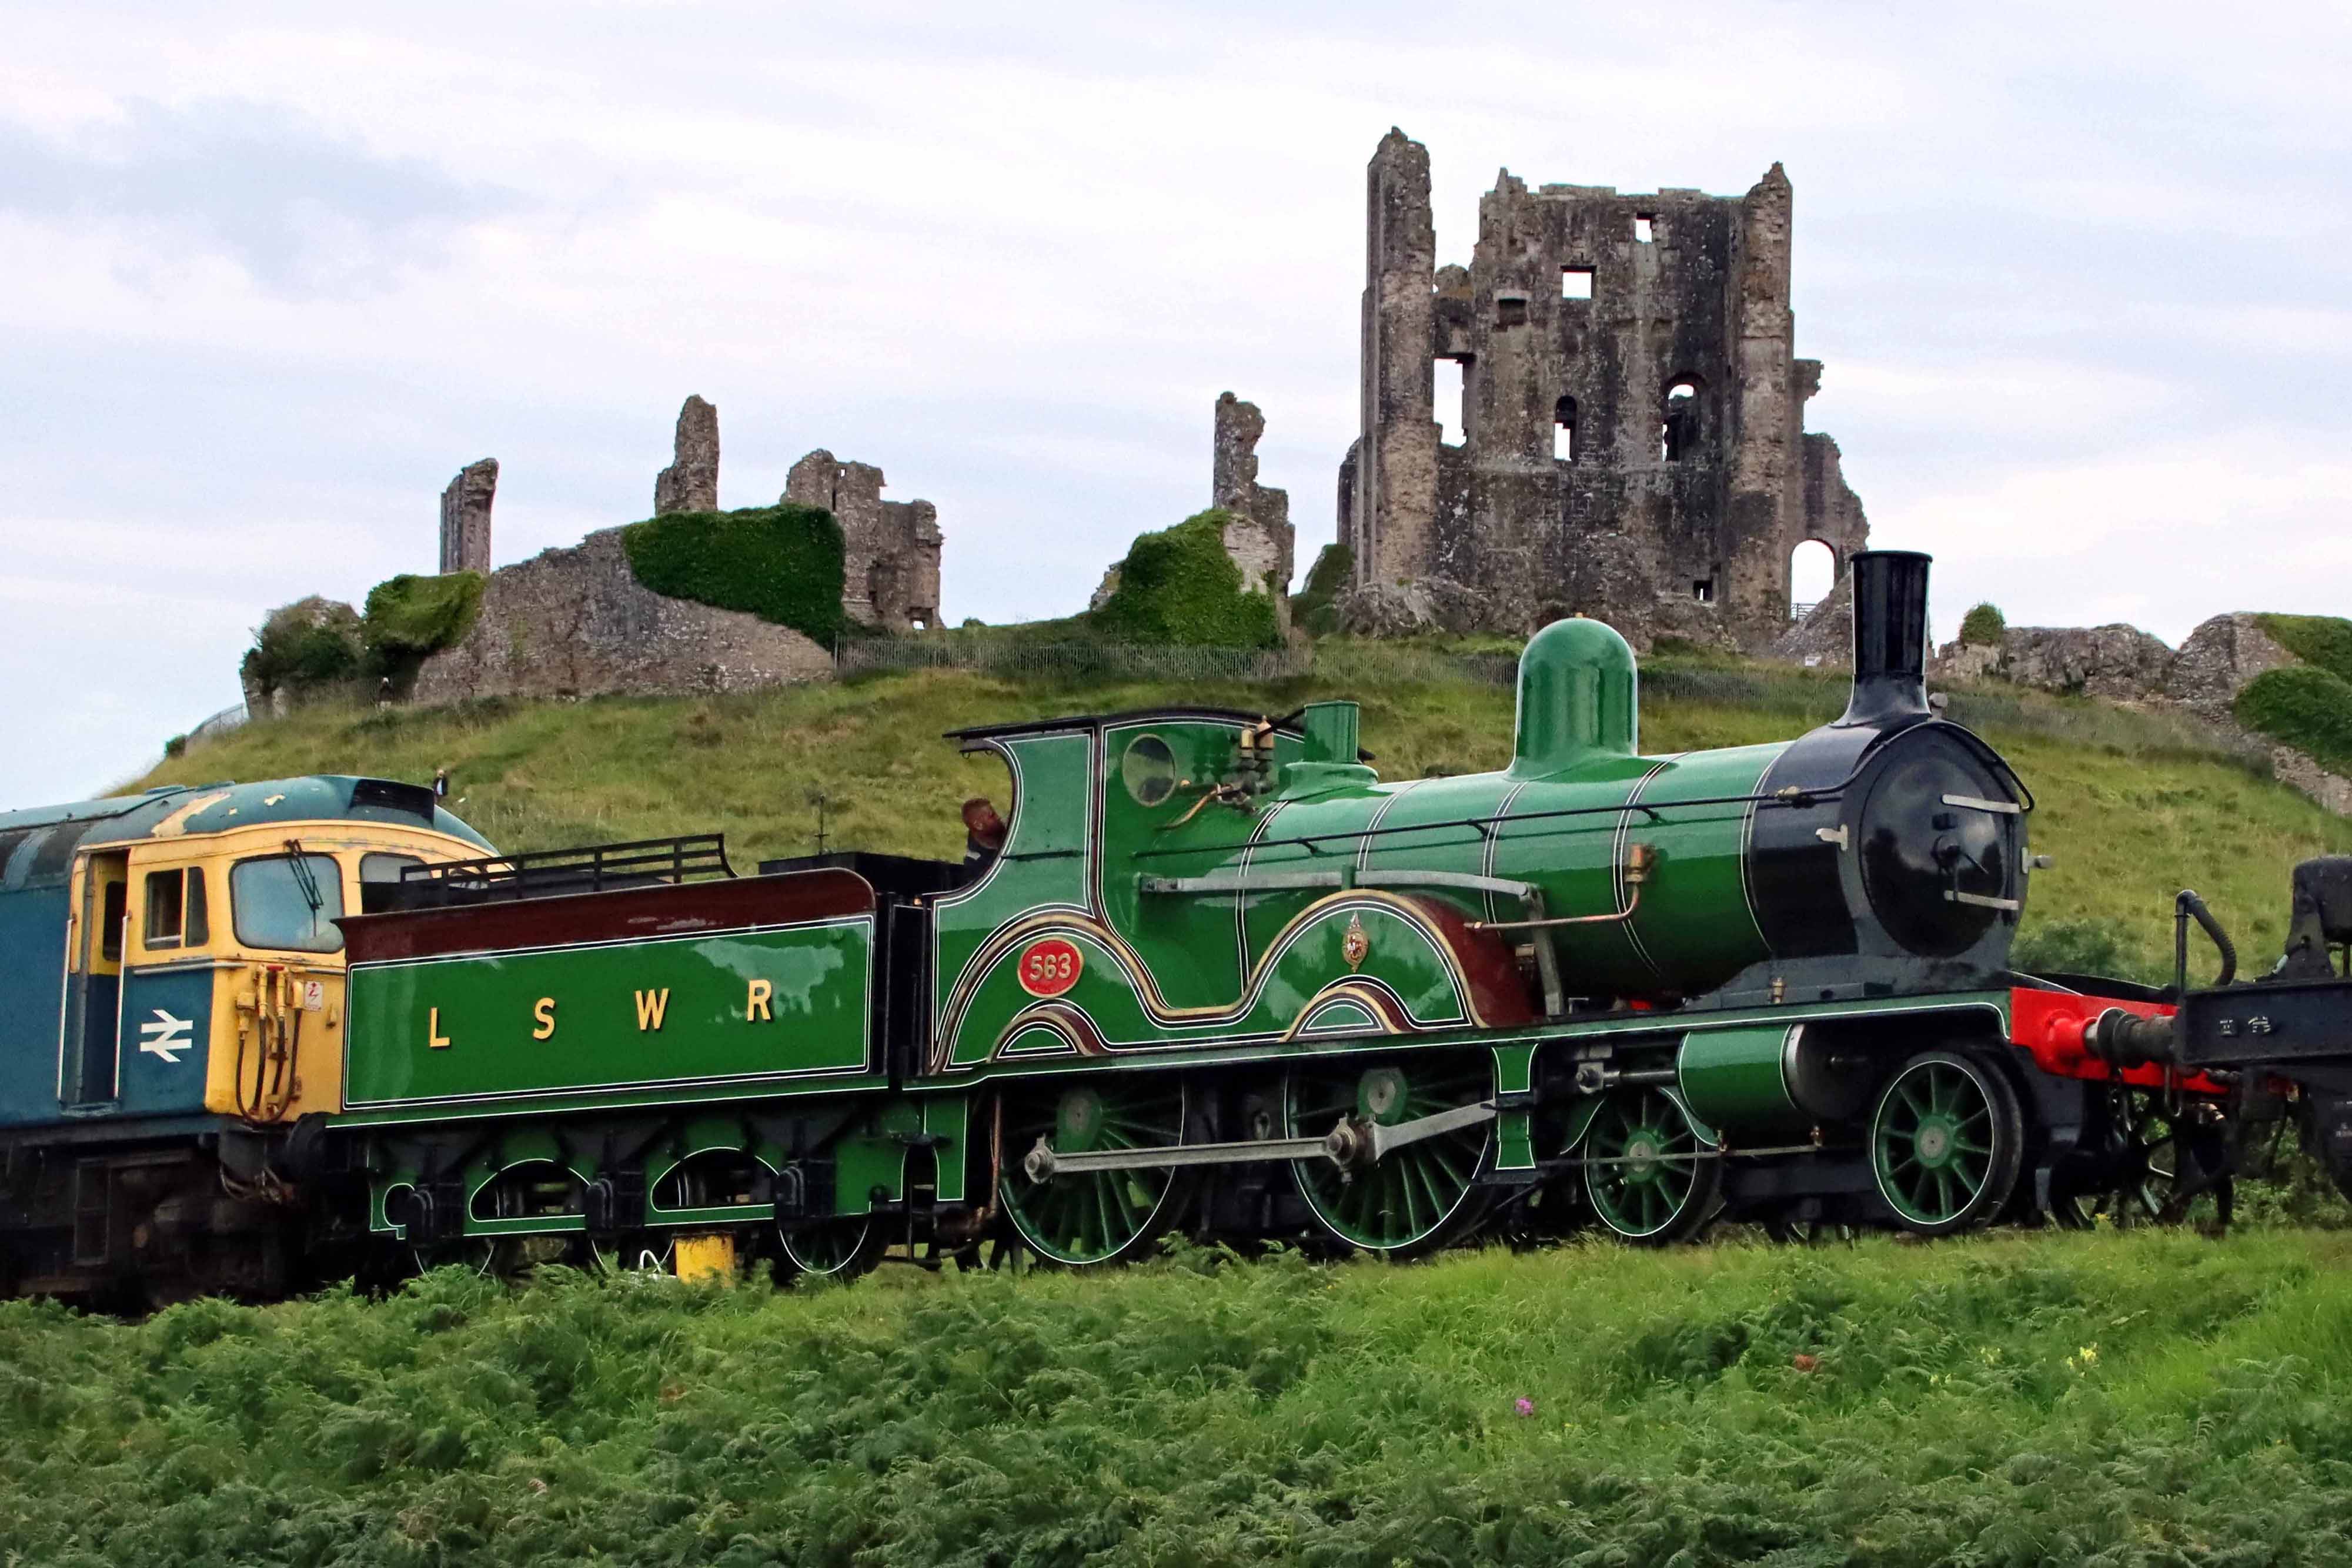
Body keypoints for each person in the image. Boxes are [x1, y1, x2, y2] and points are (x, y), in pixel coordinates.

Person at [961, 797, 1007, 877]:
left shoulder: (1004, 832)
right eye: (992, 816)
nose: (998, 817)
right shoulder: (979, 867)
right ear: (978, 825)